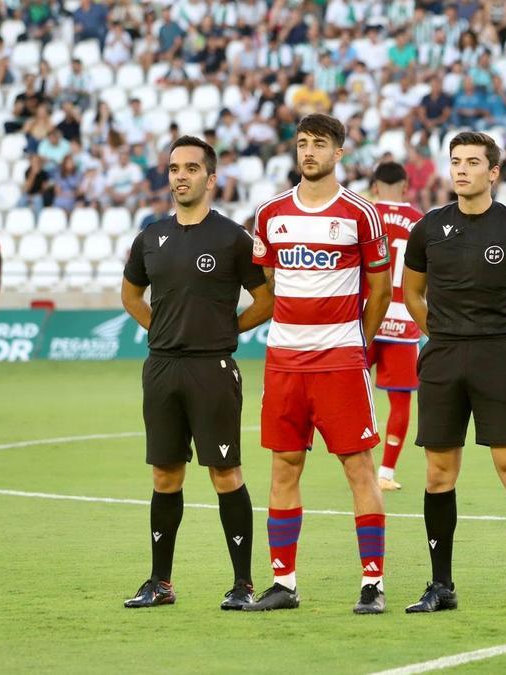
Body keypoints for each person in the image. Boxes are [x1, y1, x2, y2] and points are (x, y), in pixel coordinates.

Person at [401, 132, 506, 615]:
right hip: (443, 359)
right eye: (456, 161)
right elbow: (411, 294)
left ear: (493, 172)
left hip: (499, 358)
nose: (462, 169)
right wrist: (441, 335)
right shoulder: (429, 228)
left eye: (473, 162)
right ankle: (441, 585)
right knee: (438, 474)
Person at [245, 114, 394, 614]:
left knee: (359, 469)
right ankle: (283, 583)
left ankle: (372, 583)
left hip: (340, 363)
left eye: (320, 144)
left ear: (339, 153)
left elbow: (379, 290)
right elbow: (268, 286)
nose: (309, 152)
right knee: (283, 467)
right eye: (303, 143)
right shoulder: (270, 214)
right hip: (284, 364)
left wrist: (357, 344)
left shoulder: (360, 213)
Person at [120, 136, 274, 609]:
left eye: (191, 168)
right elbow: (130, 295)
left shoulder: (232, 237)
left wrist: (228, 329)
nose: (180, 176)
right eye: (174, 169)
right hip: (162, 368)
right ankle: (160, 583)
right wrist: (160, 329)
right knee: (165, 475)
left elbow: (266, 300)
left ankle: (243, 585)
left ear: (211, 178)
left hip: (213, 368)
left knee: (225, 473)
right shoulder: (150, 237)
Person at [367, 161, 425, 492]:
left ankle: (357, 461)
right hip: (403, 320)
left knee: (347, 391)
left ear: (375, 187)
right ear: (406, 186)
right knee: (400, 402)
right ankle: (386, 472)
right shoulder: (420, 221)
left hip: (364, 317)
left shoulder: (364, 214)